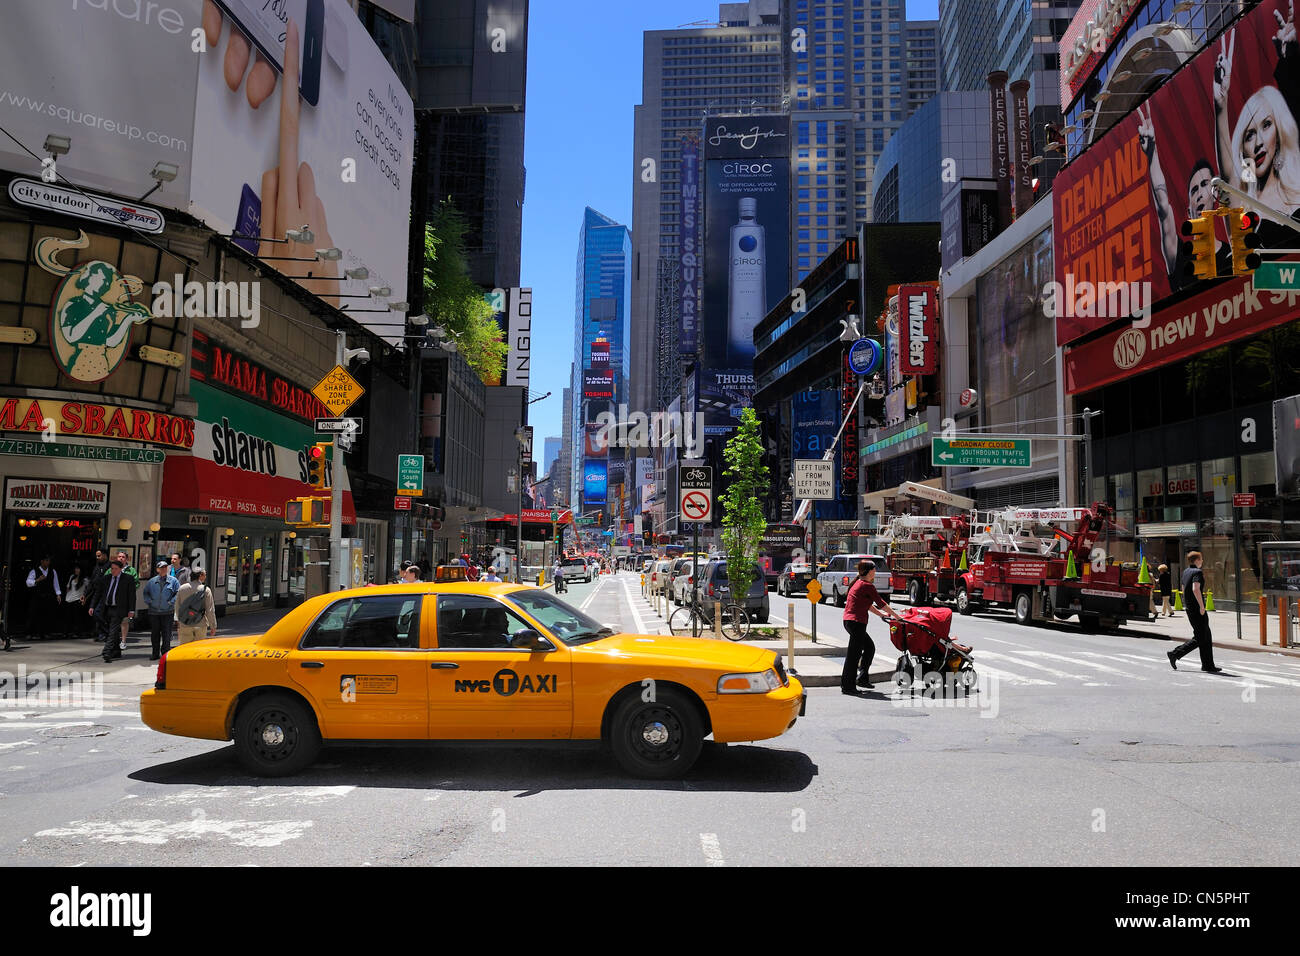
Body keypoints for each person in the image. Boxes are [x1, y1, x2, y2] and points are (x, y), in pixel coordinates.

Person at [842, 559, 902, 694]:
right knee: (854, 656)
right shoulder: (866, 585)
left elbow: (867, 604)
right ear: (868, 571)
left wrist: (881, 615)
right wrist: (897, 617)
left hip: (850, 622)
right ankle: (848, 686)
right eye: (874, 569)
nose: (875, 572)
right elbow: (881, 603)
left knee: (869, 648)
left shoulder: (859, 583)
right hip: (856, 623)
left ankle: (862, 678)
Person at [1168, 551, 1222, 673]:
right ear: (1197, 560)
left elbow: (1183, 588)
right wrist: (1202, 606)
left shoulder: (1186, 572)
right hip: (1197, 609)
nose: (1202, 561)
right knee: (1201, 637)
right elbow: (1195, 589)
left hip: (1190, 608)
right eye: (1201, 559)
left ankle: (1208, 665)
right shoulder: (1197, 572)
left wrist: (1187, 603)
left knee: (1206, 636)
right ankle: (1175, 653)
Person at [95, 559, 135, 662]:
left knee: (113, 630)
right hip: (107, 608)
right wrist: (92, 606)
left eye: (115, 569)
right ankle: (116, 651)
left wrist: (131, 610)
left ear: (121, 569)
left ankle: (106, 652)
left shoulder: (128, 579)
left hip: (119, 609)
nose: (113, 571)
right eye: (112, 569)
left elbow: (132, 596)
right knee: (111, 630)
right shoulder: (106, 579)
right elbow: (98, 593)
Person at [142, 561, 179, 660]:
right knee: (155, 634)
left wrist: (171, 602)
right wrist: (149, 602)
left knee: (166, 634)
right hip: (154, 612)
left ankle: (165, 654)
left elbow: (177, 593)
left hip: (168, 612)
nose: (163, 569)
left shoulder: (174, 581)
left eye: (165, 567)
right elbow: (146, 593)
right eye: (161, 568)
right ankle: (155, 653)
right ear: (157, 569)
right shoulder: (151, 581)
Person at [24, 555, 62, 641]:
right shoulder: (34, 571)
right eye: (46, 561)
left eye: (48, 561)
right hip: (37, 596)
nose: (48, 563)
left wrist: (58, 594)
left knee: (46, 615)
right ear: (42, 561)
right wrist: (37, 580)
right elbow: (28, 582)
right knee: (33, 614)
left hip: (48, 596)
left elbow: (55, 583)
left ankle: (44, 633)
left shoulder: (53, 571)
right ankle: (30, 633)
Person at [175, 569, 217, 644]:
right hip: (200, 623)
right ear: (200, 576)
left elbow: (177, 606)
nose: (205, 577)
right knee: (198, 650)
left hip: (185, 624)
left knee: (185, 648)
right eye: (204, 574)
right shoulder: (206, 590)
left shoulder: (182, 588)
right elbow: (210, 610)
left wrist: (179, 621)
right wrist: (213, 626)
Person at [64, 563, 90, 636]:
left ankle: (77, 632)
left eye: (78, 568)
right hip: (69, 599)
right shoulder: (72, 576)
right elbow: (68, 587)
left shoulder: (85, 579)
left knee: (77, 617)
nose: (76, 570)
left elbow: (89, 590)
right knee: (68, 617)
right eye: (75, 568)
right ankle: (67, 632)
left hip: (78, 599)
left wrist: (85, 598)